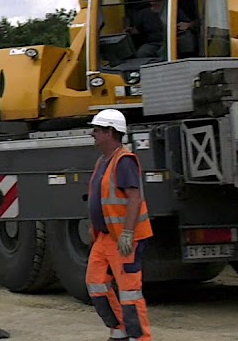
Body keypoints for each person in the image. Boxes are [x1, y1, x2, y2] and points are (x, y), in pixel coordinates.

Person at [86, 108, 153, 341]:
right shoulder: (104, 161)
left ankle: (139, 337)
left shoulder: (124, 160)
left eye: (97, 129)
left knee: (129, 292)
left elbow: (135, 198)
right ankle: (120, 330)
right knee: (95, 283)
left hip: (124, 239)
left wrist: (127, 233)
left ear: (110, 132)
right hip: (105, 237)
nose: (93, 134)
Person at [126, 0, 195, 58]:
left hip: (171, 42)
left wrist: (188, 25)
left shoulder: (174, 10)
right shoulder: (143, 13)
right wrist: (130, 30)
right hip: (153, 43)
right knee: (141, 53)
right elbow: (138, 29)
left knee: (164, 53)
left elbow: (192, 23)